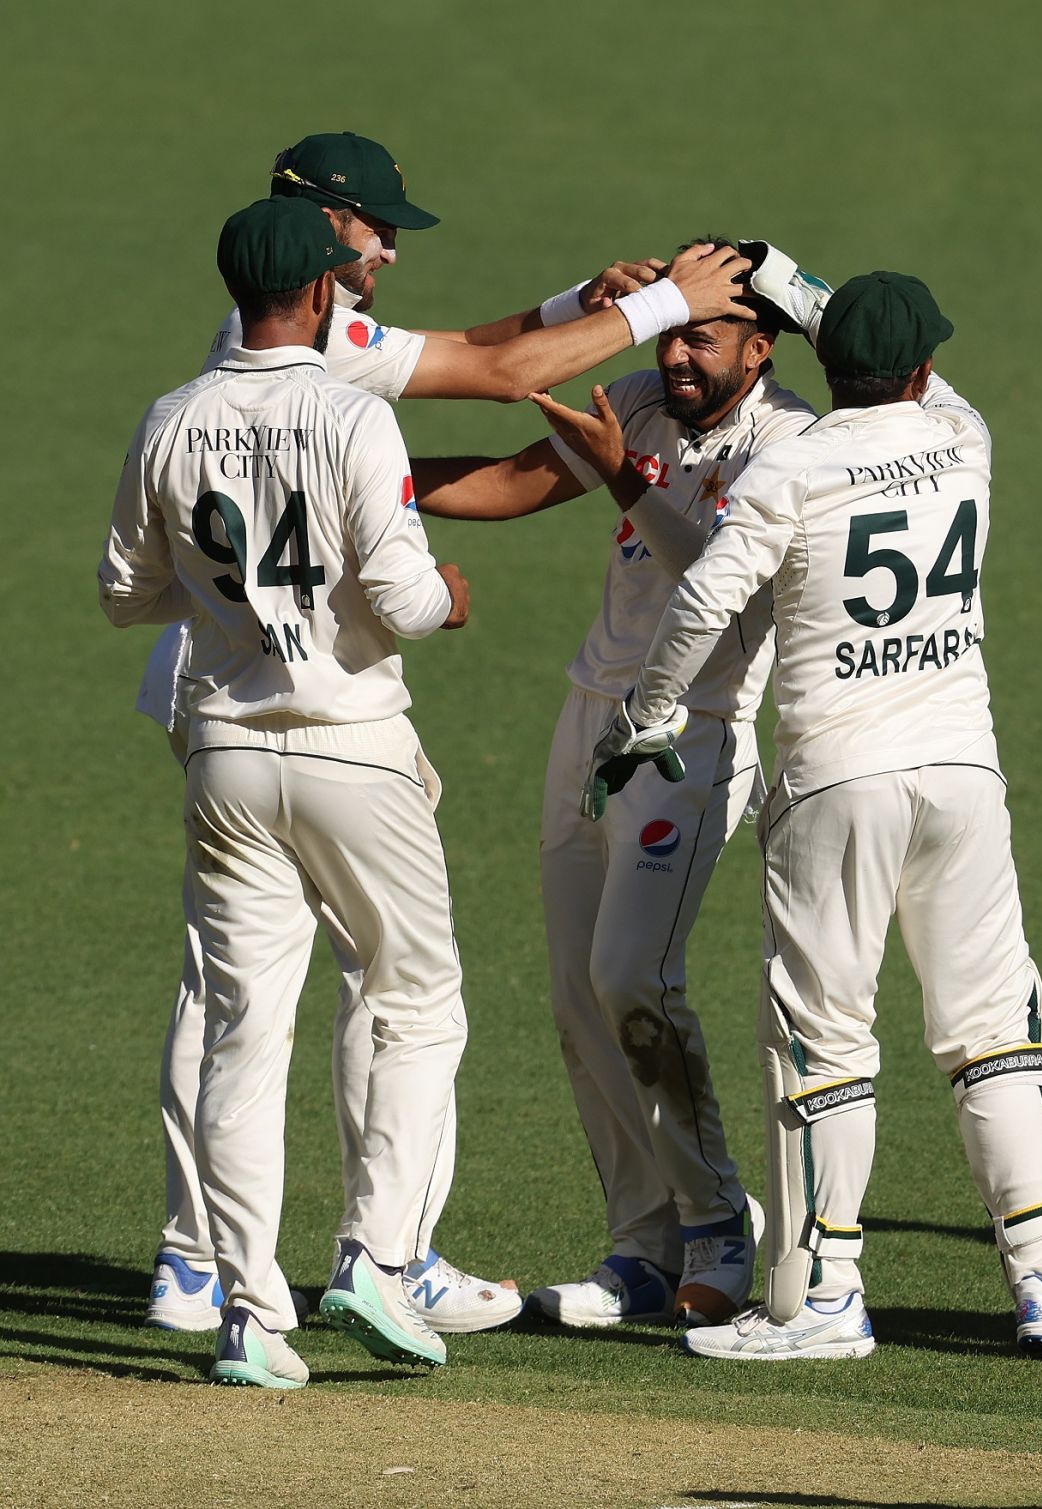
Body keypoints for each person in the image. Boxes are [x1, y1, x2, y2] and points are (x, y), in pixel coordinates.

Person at [140, 131, 754, 1338]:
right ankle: (383, 1255)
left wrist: (586, 302)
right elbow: (503, 372)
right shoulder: (317, 340)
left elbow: (480, 347)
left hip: (218, 686)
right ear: (321, 227)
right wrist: (667, 304)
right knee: (388, 987)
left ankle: (201, 1270)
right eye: (375, 229)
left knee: (233, 992)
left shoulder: (284, 323)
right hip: (308, 692)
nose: (387, 251)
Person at [592, 269, 1042, 1358]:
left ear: (825, 366)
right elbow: (874, 348)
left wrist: (647, 714)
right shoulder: (962, 435)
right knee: (998, 1029)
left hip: (838, 778)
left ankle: (820, 1298)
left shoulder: (793, 463)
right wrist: (780, 271)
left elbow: (706, 595)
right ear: (923, 368)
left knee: (822, 1036)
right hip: (963, 773)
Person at [101, 195, 489, 1387]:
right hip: (352, 747)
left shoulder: (172, 416)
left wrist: (237, 614)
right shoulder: (352, 415)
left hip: (223, 750)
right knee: (415, 1000)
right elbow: (407, 602)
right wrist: (452, 598)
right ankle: (376, 1255)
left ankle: (246, 1315)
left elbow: (125, 594)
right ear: (323, 291)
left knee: (241, 1031)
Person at [411, 240, 829, 1327]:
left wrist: (626, 477)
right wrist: (366, 479)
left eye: (703, 337)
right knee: (576, 995)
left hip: (693, 735)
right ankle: (642, 1245)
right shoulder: (639, 399)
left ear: (760, 347)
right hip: (590, 717)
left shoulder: (793, 445)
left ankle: (717, 1223)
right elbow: (516, 478)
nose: (676, 356)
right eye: (671, 332)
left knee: (631, 977)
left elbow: (734, 597)